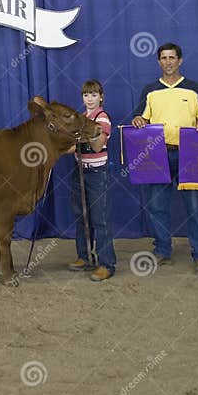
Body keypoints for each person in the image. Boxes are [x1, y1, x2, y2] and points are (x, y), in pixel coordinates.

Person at [132, 42, 198, 275]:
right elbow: (141, 119)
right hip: (158, 153)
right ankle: (162, 250)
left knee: (195, 206)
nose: (168, 62)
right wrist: (139, 121)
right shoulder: (150, 90)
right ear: (159, 62)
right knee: (157, 206)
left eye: (172, 57)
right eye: (164, 58)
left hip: (190, 153)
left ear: (180, 60)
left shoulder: (193, 88)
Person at [69, 80, 116, 282]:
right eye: (86, 95)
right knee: (82, 216)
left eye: (94, 94)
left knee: (100, 218)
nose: (89, 98)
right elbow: (71, 146)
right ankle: (85, 256)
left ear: (101, 97)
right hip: (79, 171)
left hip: (97, 173)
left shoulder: (102, 118)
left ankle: (107, 264)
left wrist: (84, 136)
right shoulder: (80, 119)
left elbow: (97, 146)